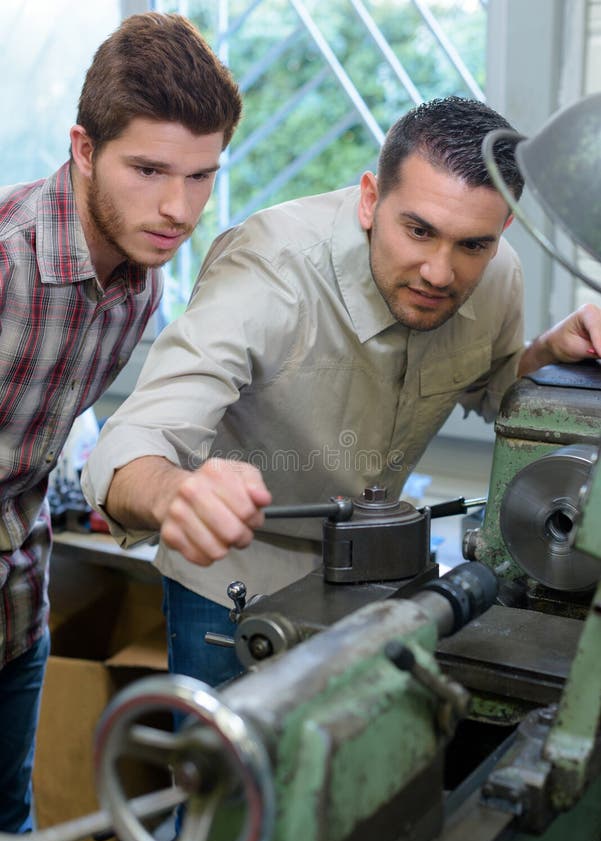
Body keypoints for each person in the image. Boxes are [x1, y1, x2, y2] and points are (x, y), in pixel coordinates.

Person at [82, 96, 601, 692]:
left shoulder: (497, 272)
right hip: (236, 580)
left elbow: (490, 389)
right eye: (418, 230)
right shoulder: (268, 270)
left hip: (382, 573)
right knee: (228, 782)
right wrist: (178, 494)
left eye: (471, 245)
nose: (439, 271)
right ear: (370, 197)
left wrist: (546, 358)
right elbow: (129, 445)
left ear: (503, 227)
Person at [0, 12, 241, 841]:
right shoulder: (6, 264)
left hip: (19, 611)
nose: (177, 208)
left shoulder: (139, 283)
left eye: (201, 176)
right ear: (83, 148)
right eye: (148, 170)